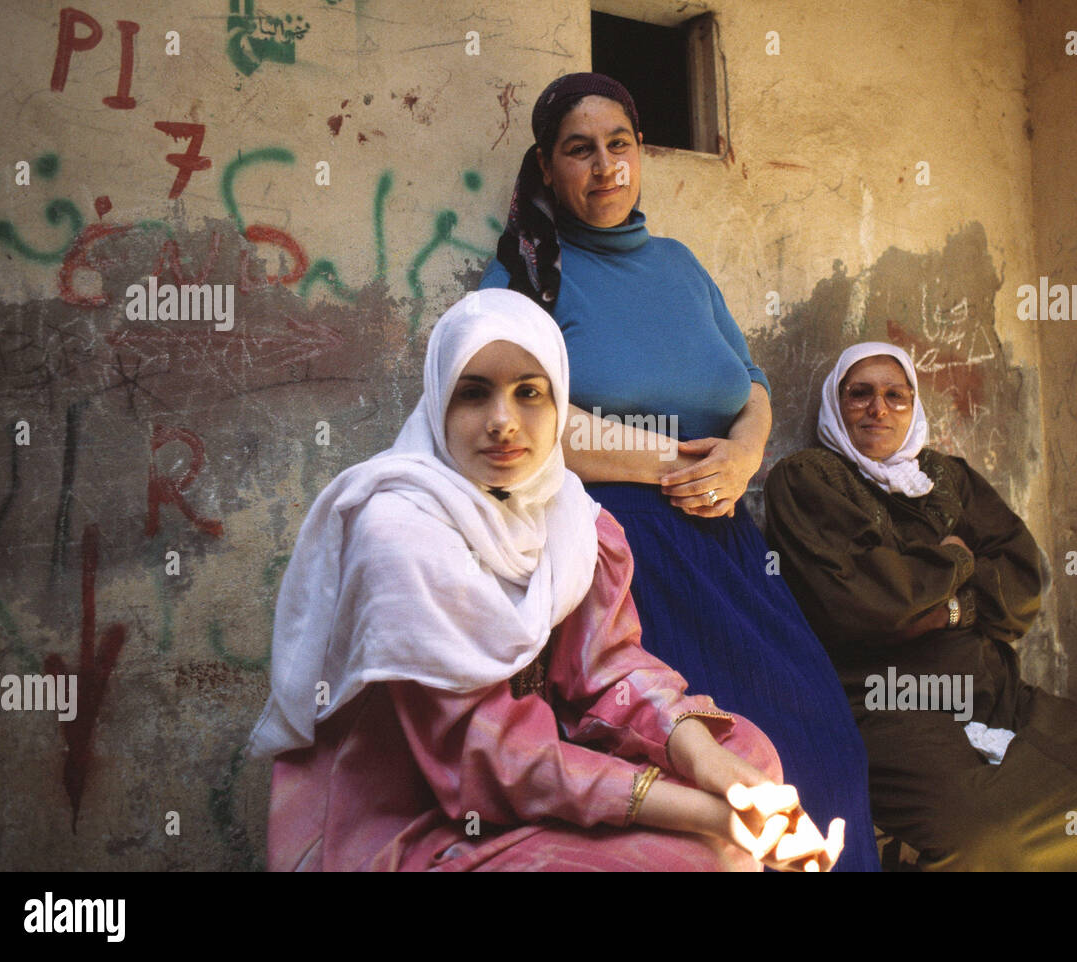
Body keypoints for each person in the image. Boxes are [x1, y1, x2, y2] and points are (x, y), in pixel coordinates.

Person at [246, 288, 844, 872]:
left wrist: (710, 766)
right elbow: (487, 759)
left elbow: (609, 671)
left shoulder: (568, 515)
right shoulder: (399, 533)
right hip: (422, 817)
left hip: (540, 777)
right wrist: (712, 815)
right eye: (473, 394)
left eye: (529, 393)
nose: (503, 422)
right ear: (436, 404)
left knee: (747, 758)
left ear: (561, 405)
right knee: (693, 853)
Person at [479, 73, 880, 871]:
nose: (604, 167)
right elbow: (518, 428)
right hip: (625, 557)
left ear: (641, 154)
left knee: (819, 740)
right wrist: (673, 461)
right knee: (706, 769)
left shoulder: (680, 266)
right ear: (547, 167)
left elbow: (752, 384)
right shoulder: (528, 280)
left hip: (731, 544)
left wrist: (743, 455)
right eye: (579, 150)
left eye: (619, 145)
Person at [762, 341, 1077, 871]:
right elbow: (870, 602)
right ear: (836, 404)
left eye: (895, 396)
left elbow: (1021, 585)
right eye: (860, 395)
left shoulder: (950, 477)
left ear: (913, 407)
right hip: (887, 711)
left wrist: (947, 607)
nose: (878, 409)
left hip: (997, 695)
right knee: (995, 835)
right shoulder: (808, 479)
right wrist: (956, 561)